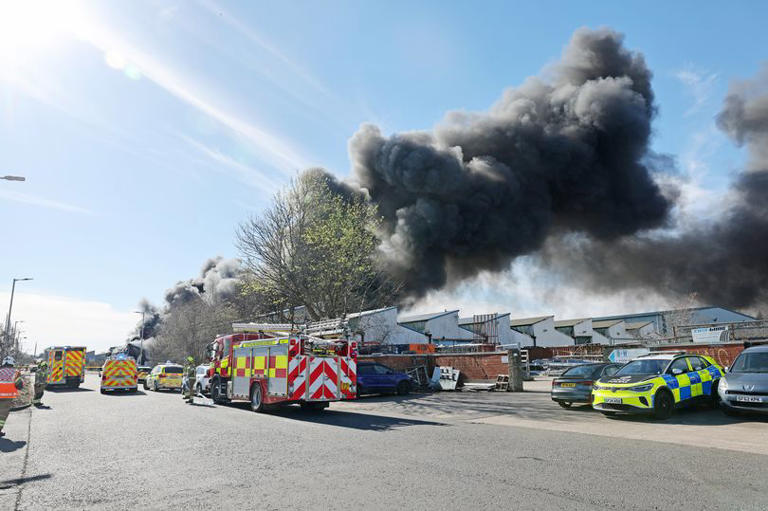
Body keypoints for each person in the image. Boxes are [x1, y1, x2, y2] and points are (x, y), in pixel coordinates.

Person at [0, 356, 24, 437]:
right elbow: (19, 386)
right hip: (6, 398)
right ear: (12, 363)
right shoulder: (16, 373)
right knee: (2, 415)